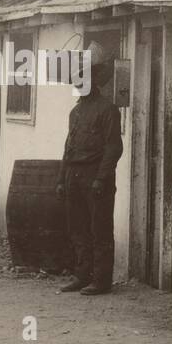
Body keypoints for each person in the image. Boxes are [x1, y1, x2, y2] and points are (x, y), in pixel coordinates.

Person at [56, 43, 123, 295]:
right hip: (75, 175)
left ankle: (102, 280)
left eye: (85, 77)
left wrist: (101, 179)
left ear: (96, 80)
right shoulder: (75, 112)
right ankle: (82, 275)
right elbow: (68, 148)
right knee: (78, 229)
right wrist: (62, 179)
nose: (80, 82)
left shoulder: (108, 110)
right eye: (77, 78)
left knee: (100, 229)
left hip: (96, 177)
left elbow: (113, 148)